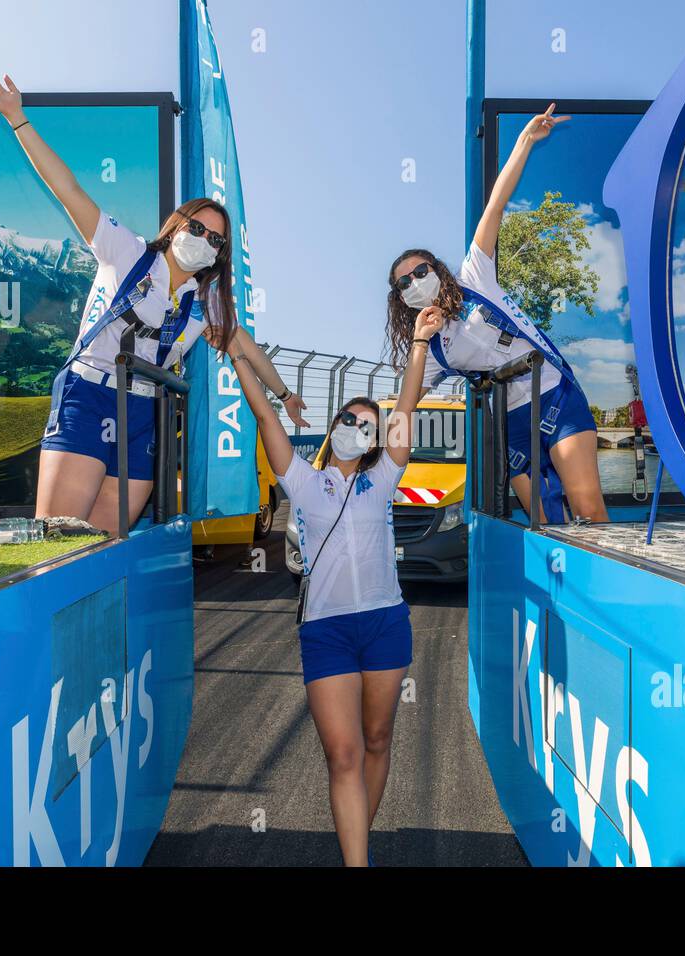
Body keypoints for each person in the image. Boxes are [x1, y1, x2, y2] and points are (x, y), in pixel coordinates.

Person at [0, 64, 307, 535]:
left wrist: (288, 397)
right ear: (175, 225)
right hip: (88, 395)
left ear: (219, 257)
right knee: (59, 539)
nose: (205, 240)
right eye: (197, 228)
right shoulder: (125, 251)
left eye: (215, 240)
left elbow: (249, 351)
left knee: (107, 546)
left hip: (144, 416)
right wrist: (16, 117)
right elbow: (68, 190)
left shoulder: (204, 305)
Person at [234, 304, 443, 866]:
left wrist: (419, 342)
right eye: (348, 419)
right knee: (344, 755)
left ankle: (357, 838)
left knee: (377, 742)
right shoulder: (304, 481)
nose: (357, 427)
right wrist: (241, 361)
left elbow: (406, 405)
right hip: (325, 632)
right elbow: (266, 418)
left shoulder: (384, 479)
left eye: (367, 424)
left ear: (377, 439)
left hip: (385, 626)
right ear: (332, 428)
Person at [385, 104, 607, 523]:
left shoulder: (475, 276)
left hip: (554, 394)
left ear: (437, 268)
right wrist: (418, 340)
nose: (414, 280)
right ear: (400, 298)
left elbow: (496, 206)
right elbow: (405, 406)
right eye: (404, 282)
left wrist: (525, 140)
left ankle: (615, 586)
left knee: (587, 507)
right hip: (513, 422)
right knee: (543, 524)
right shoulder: (434, 350)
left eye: (420, 270)